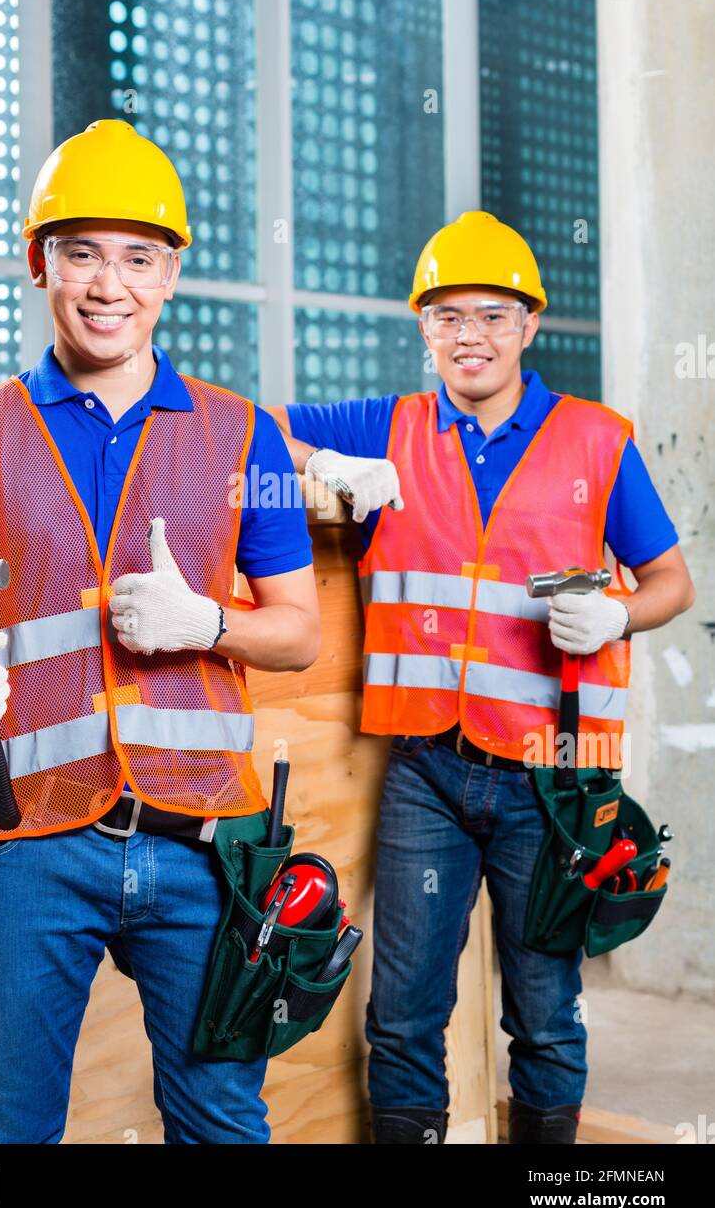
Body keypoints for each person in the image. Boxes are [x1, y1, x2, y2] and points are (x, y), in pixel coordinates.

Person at [0, 118, 320, 1144]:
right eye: (80, 252)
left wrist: (209, 621)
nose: (106, 284)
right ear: (38, 262)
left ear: (170, 274)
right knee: (3, 1132)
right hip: (18, 846)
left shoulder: (244, 434)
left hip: (203, 844)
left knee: (222, 1123)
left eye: (137, 257)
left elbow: (298, 632)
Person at [269, 210, 695, 1144]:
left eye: (494, 316)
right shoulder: (388, 428)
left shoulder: (597, 442)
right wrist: (325, 461)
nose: (472, 336)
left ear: (529, 325)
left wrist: (622, 610)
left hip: (551, 780)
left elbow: (672, 581)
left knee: (544, 1010)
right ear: (423, 327)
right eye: (449, 316)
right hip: (428, 770)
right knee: (404, 1010)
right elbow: (244, 428)